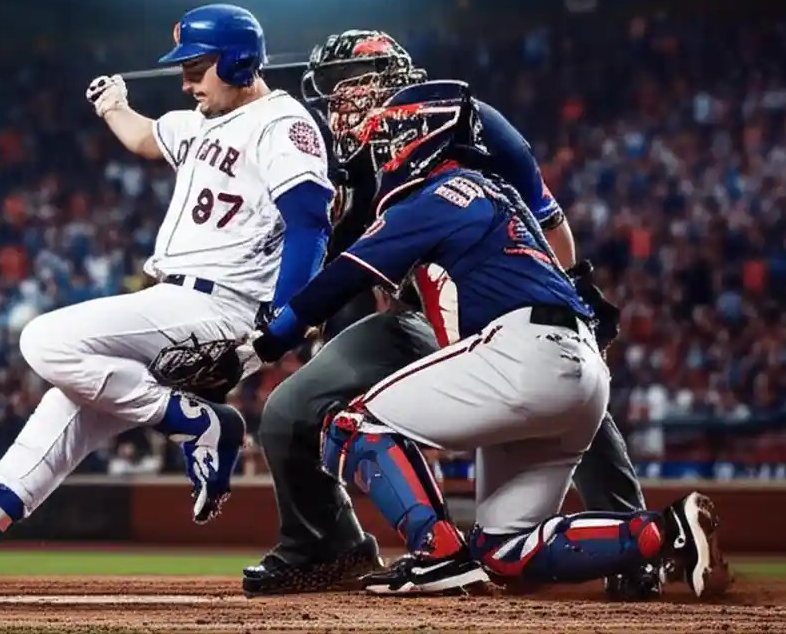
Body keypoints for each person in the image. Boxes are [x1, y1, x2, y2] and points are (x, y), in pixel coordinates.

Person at [0, 3, 335, 599]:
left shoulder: (282, 124)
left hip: (222, 307)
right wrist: (113, 103)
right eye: (183, 70)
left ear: (241, 63)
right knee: (59, 419)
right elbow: (143, 137)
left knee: (44, 340)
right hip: (177, 304)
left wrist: (289, 315)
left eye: (197, 68)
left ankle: (198, 424)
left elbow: (309, 222)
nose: (187, 82)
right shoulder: (200, 121)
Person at [247, 79, 729, 598]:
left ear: (420, 139)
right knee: (505, 550)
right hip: (583, 373)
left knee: (353, 425)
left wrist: (269, 340)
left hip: (521, 354)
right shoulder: (501, 194)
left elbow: (345, 276)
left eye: (390, 141)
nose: (382, 154)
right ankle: (665, 533)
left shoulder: (433, 196)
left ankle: (437, 554)